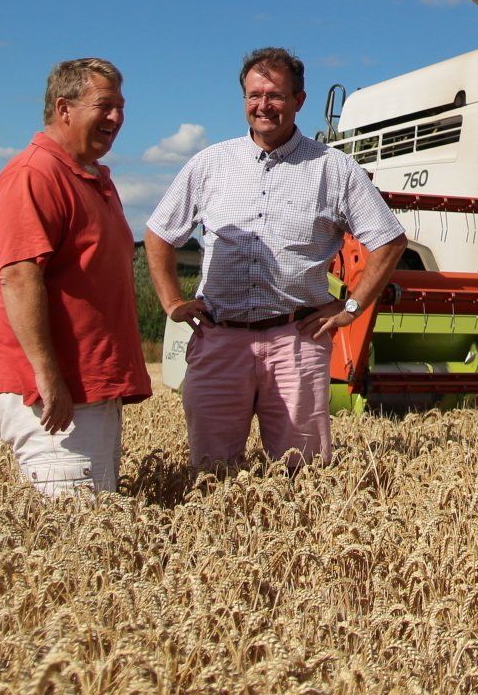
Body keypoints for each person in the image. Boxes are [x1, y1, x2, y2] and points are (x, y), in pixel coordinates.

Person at [145, 46, 406, 468]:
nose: (263, 105)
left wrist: (352, 307)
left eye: (276, 96)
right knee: (210, 472)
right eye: (254, 95)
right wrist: (173, 302)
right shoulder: (210, 164)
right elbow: (159, 233)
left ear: (299, 101)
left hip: (295, 341)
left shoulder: (333, 169)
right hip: (220, 338)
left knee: (300, 472)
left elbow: (390, 240)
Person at [0, 57, 151, 497]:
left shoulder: (92, 178)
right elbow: (19, 278)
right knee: (72, 542)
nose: (116, 117)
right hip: (56, 396)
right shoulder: (34, 175)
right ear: (64, 108)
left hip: (89, 388)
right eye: (104, 105)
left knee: (93, 527)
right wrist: (48, 377)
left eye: (120, 106)